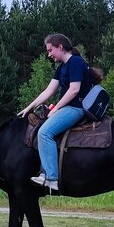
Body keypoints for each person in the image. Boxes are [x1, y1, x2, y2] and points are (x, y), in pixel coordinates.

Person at [17, 33, 95, 192]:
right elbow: (49, 91)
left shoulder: (76, 62)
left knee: (45, 133)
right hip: (67, 107)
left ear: (60, 46)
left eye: (50, 50)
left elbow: (74, 90)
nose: (49, 54)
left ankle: (51, 178)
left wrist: (56, 108)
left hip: (76, 108)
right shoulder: (62, 67)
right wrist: (29, 107)